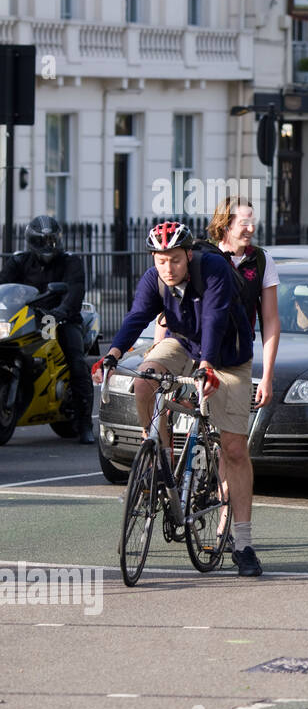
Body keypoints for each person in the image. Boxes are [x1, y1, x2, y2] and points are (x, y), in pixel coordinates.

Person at [91, 222, 261, 576]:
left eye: (175, 260)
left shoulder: (212, 269)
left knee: (232, 448)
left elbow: (214, 317)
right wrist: (112, 354)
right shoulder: (155, 278)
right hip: (183, 342)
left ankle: (243, 543)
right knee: (144, 381)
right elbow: (138, 315)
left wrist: (208, 365)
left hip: (226, 355)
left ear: (188, 255)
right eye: (161, 260)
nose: (168, 268)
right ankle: (159, 452)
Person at [0, 216, 93, 443]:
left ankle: (85, 424)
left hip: (60, 318)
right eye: (42, 241)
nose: (48, 246)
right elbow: (2, 288)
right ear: (31, 241)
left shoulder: (71, 262)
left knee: (77, 362)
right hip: (25, 318)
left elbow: (75, 291)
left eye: (52, 240)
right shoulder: (18, 261)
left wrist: (61, 312)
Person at [204, 197, 280, 409]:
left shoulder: (262, 260)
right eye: (244, 223)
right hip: (199, 352)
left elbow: (270, 320)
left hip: (237, 355)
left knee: (233, 436)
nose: (252, 228)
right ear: (226, 224)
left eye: (253, 222)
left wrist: (267, 377)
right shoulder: (204, 255)